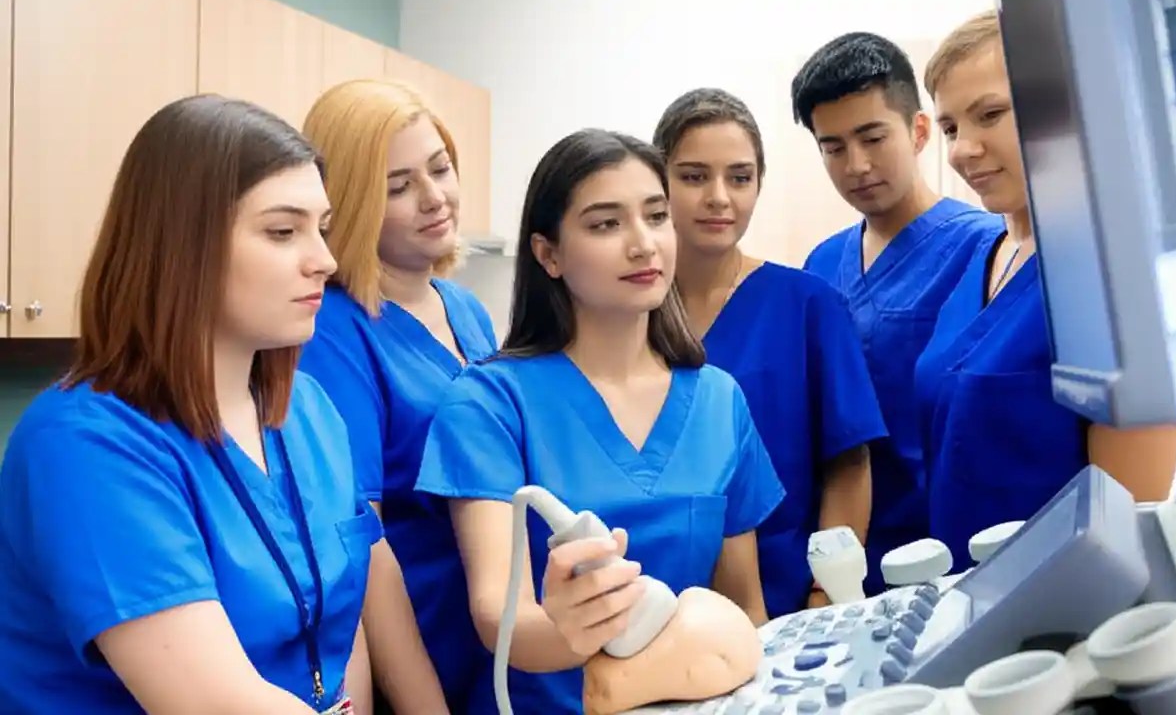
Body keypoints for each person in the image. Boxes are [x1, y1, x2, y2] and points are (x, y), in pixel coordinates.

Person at [0, 94, 380, 713]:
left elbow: (340, 630)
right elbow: (212, 702)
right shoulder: (84, 448)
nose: (325, 260)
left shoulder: (310, 411)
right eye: (283, 232)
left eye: (323, 228)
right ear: (182, 246)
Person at [415, 128, 786, 713]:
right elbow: (498, 619)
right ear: (549, 254)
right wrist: (573, 628)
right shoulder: (488, 405)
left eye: (656, 216)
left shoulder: (719, 400)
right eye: (606, 224)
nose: (643, 245)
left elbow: (744, 609)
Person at [915, 11, 1176, 567]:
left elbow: (1130, 533)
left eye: (989, 115)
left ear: (1067, 106)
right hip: (963, 606)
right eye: (949, 128)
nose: (963, 149)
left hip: (1059, 623)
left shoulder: (1110, 279)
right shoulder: (980, 255)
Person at [652, 88, 886, 617]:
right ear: (658, 182)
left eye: (739, 177)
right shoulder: (628, 314)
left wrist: (826, 596)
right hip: (655, 607)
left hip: (786, 603)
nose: (719, 197)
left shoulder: (809, 306)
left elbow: (849, 464)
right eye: (693, 176)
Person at [299, 78, 493, 714]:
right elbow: (364, 546)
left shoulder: (466, 310)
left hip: (496, 625)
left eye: (440, 169)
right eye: (399, 186)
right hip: (418, 643)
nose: (435, 198)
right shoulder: (332, 328)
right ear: (349, 203)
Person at [791, 32, 1006, 593]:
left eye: (872, 137)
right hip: (846, 564)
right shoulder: (820, 264)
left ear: (917, 131)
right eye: (833, 147)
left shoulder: (986, 249)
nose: (856, 165)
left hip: (953, 556)